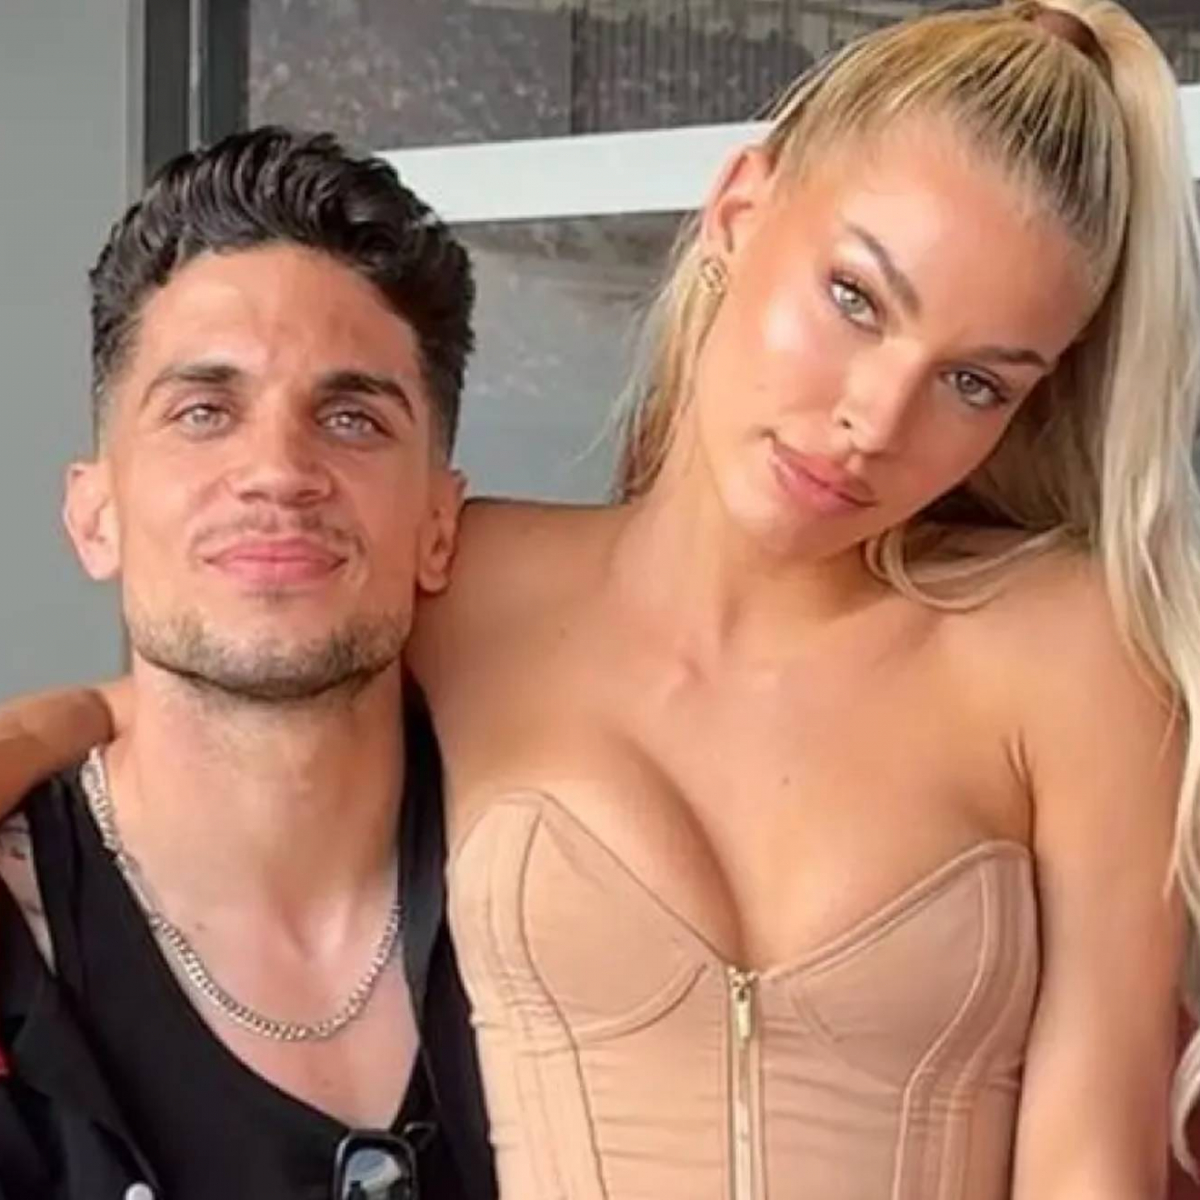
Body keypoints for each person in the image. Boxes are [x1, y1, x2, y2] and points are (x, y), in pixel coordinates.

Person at [3, 0, 1200, 1196]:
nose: (875, 421)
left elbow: (1094, 1164)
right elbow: (223, 675)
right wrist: (42, 733)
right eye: (854, 299)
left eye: (976, 383)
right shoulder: (472, 584)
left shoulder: (1069, 653)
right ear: (738, 211)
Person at [0, 128, 495, 1198]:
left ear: (439, 526)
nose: (278, 470)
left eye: (352, 418)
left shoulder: (573, 895)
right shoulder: (11, 940)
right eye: (204, 412)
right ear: (94, 513)